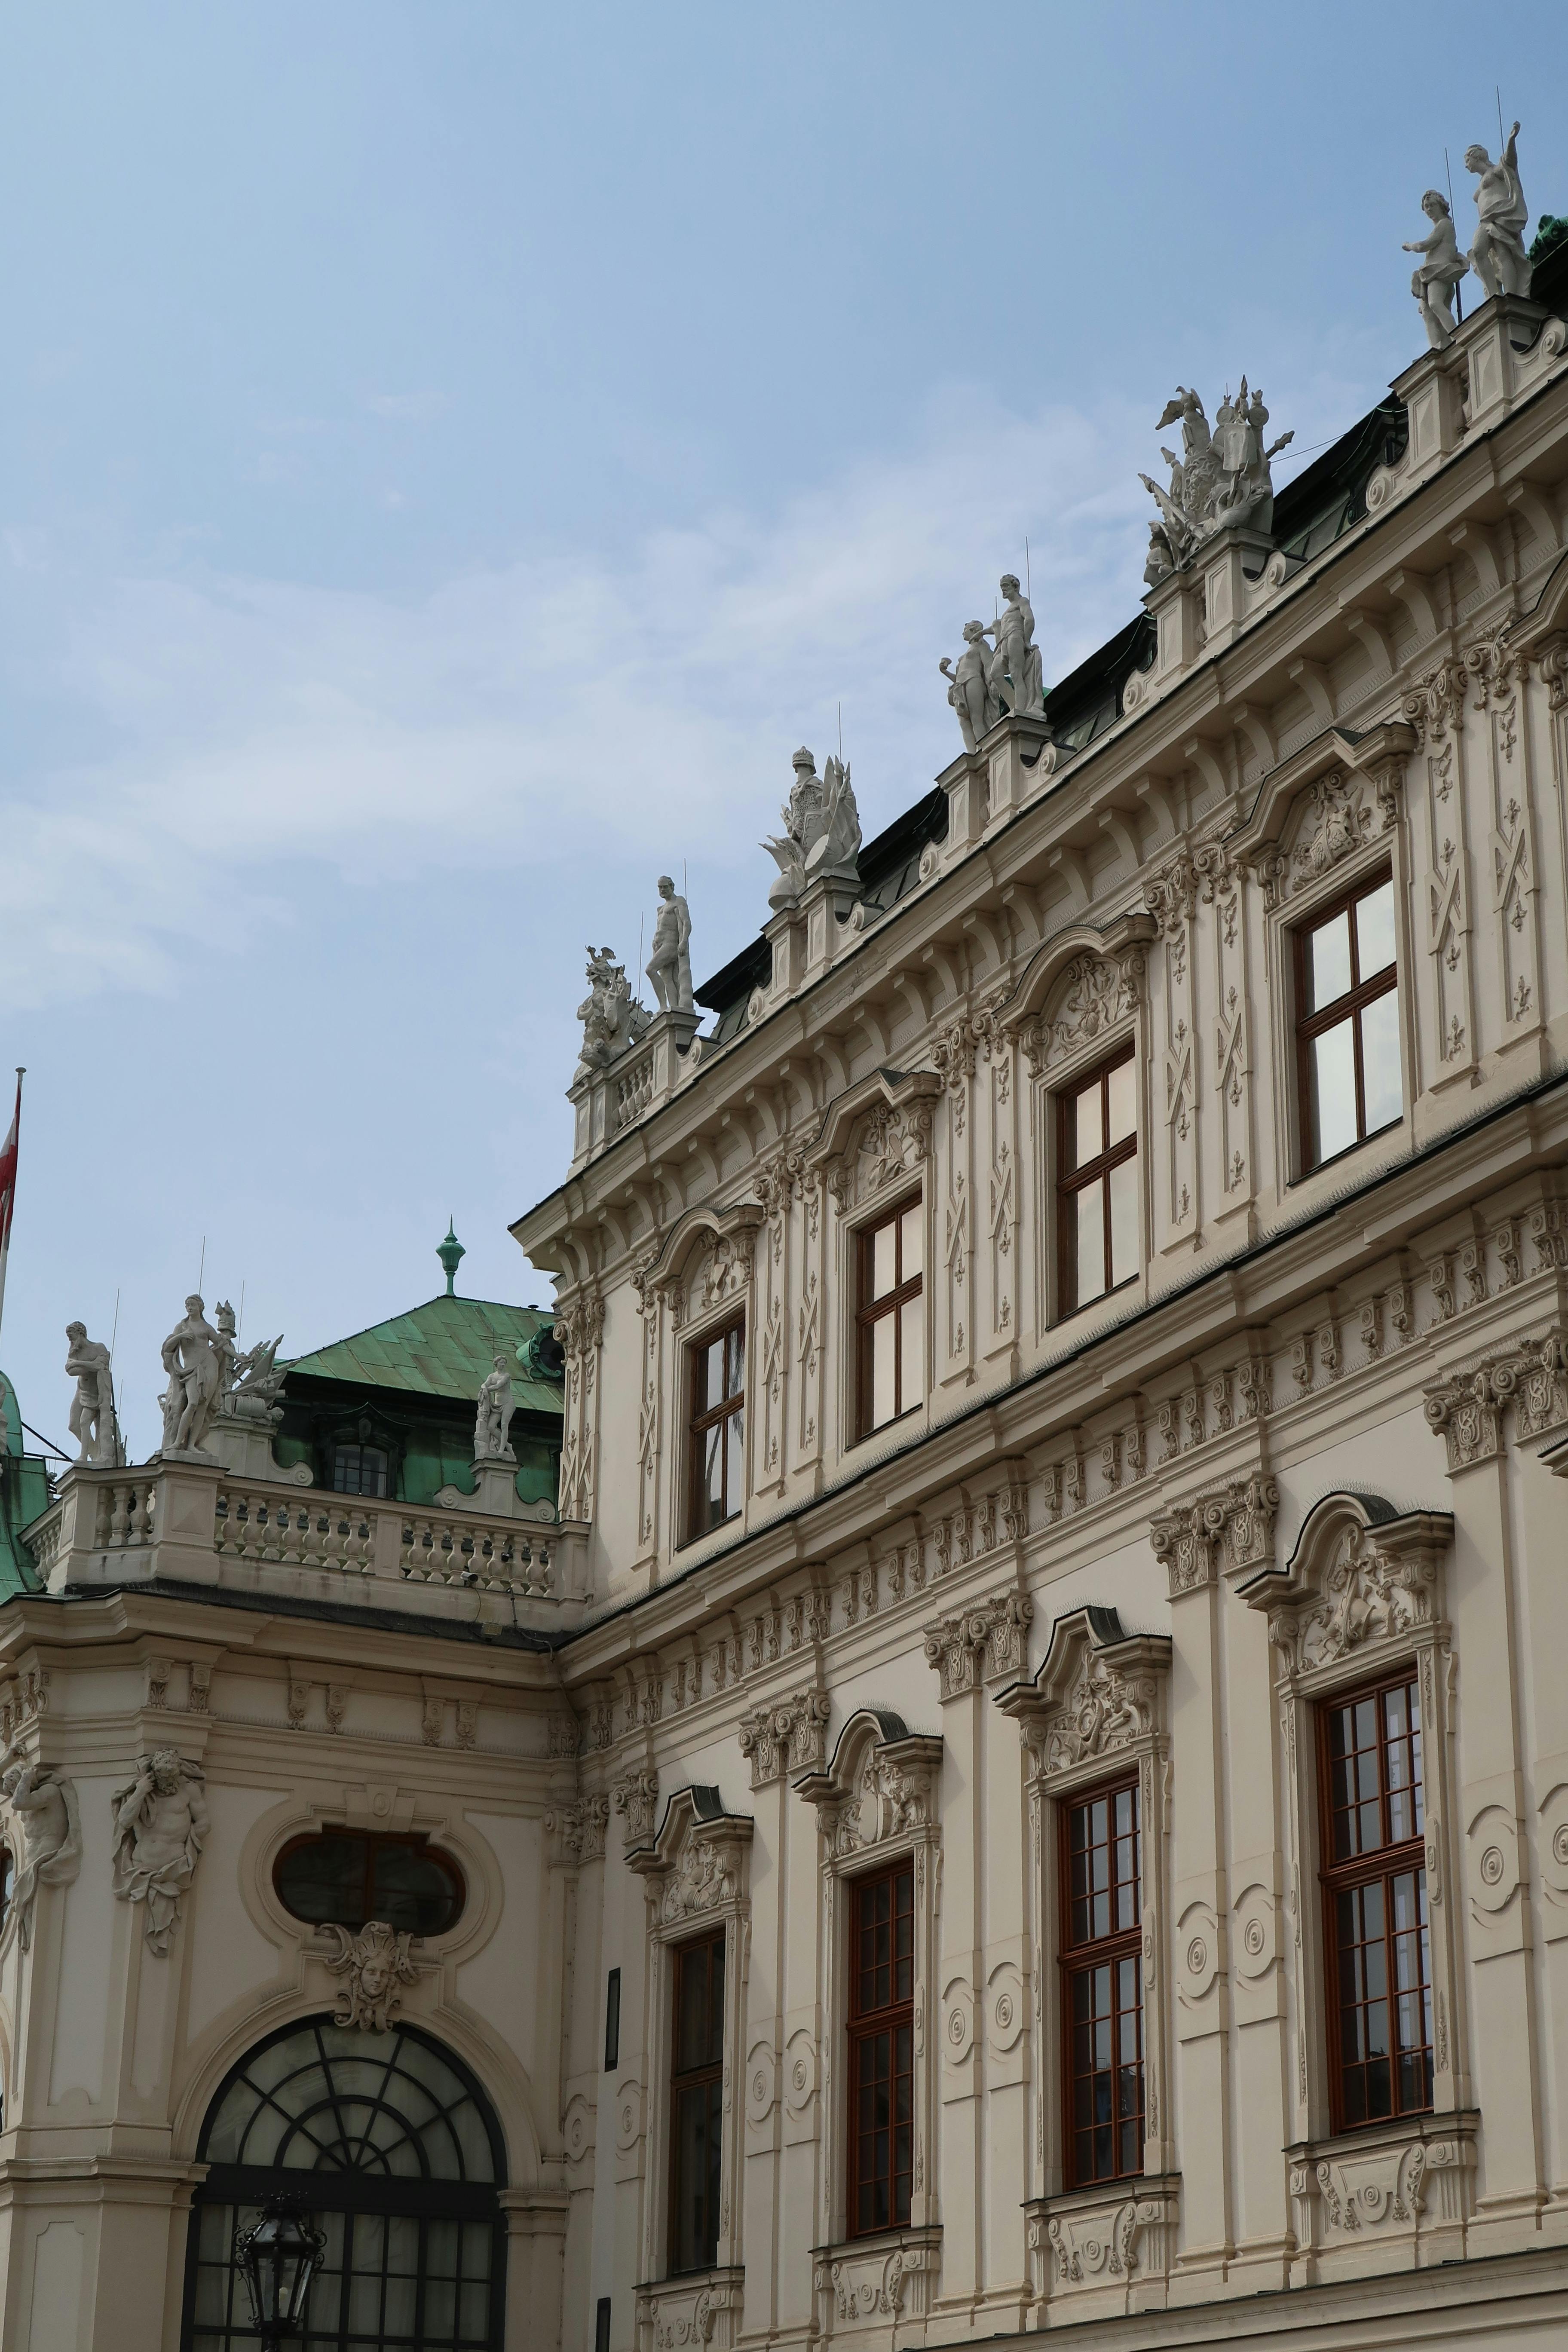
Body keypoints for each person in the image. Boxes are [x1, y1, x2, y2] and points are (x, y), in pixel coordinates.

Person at [111, 1748, 210, 1954]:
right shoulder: (142, 1792)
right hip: (140, 1869)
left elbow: (204, 1824)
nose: (167, 1785)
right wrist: (141, 1791)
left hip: (175, 1869)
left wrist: (189, 1845)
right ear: (154, 1774)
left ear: (178, 1772)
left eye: (171, 1777)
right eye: (162, 1779)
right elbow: (124, 1821)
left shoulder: (189, 1791)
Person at [1466, 123, 1532, 302]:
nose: (1467, 166)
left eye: (1467, 160)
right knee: (1479, 252)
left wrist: (1511, 140)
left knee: (1504, 254)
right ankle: (1494, 293)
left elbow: (1510, 161)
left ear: (1477, 156)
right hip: (1485, 221)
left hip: (1501, 214)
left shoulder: (1496, 170)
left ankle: (1511, 295)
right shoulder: (1480, 183)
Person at [1404, 190, 1470, 347]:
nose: (1428, 210)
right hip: (1431, 275)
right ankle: (1439, 345)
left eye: (1431, 205)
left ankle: (1457, 337)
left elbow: (1424, 246)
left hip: (1440, 273)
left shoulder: (1445, 224)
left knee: (1435, 304)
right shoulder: (1440, 226)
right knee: (1429, 313)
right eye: (1426, 207)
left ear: (1440, 205)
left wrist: (1410, 246)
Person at [982, 575, 1044, 717]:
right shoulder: (1008, 610)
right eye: (1001, 587)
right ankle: (1014, 707)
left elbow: (1029, 619)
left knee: (1017, 675)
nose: (1003, 590)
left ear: (1015, 587)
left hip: (1016, 636)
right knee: (995, 674)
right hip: (1004, 640)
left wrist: (1027, 641)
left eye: (1006, 586)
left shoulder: (1022, 601)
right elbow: (995, 627)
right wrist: (981, 633)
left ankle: (1021, 712)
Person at [645, 875, 694, 1014]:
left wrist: (684, 941)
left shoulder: (678, 901)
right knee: (667, 979)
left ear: (671, 886)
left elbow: (686, 923)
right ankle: (673, 1007)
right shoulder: (660, 909)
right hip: (659, 946)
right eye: (660, 887)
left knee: (650, 970)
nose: (662, 890)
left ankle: (663, 1005)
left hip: (671, 944)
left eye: (665, 887)